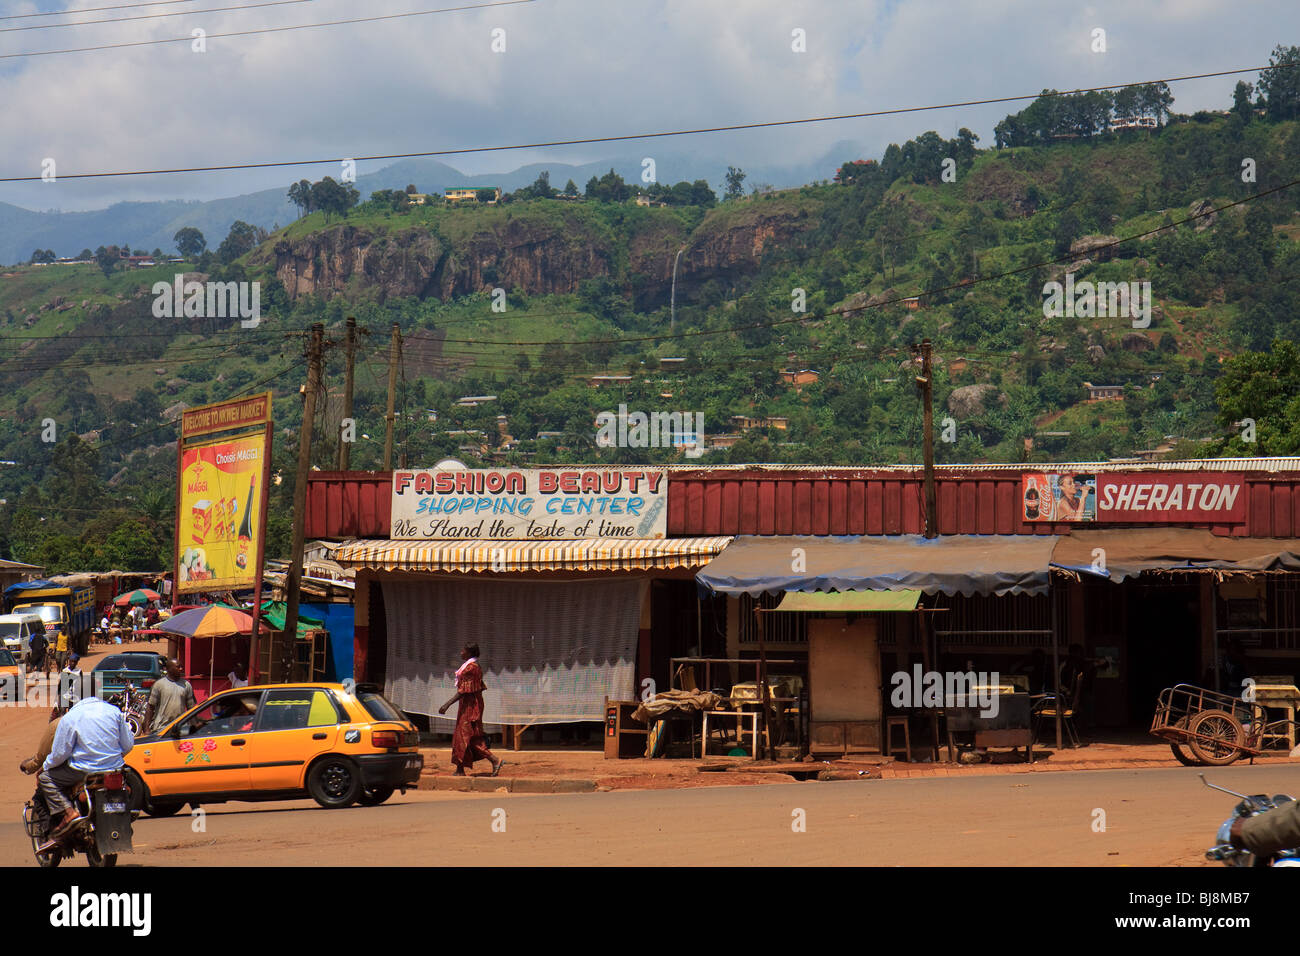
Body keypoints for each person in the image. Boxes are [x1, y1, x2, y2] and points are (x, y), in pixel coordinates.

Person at [39, 696, 134, 838]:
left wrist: (45, 766)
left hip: (83, 770)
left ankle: (69, 813)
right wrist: (112, 759)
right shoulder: (114, 711)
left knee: (45, 778)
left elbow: (60, 754)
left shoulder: (70, 717)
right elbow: (128, 745)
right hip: (113, 769)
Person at [438, 643, 504, 777]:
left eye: (463, 650)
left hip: (471, 706)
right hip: (467, 704)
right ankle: (460, 769)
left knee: (467, 735)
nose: (461, 653)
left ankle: (494, 760)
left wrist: (447, 704)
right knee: (463, 735)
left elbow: (464, 690)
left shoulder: (471, 668)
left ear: (469, 653)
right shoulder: (470, 666)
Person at [144, 658, 197, 735]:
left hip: (179, 727)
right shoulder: (159, 685)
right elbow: (150, 707)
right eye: (178, 667)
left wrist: (195, 727)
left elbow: (191, 709)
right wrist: (146, 728)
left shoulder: (186, 685)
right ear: (169, 669)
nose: (181, 669)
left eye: (181, 667)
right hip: (161, 728)